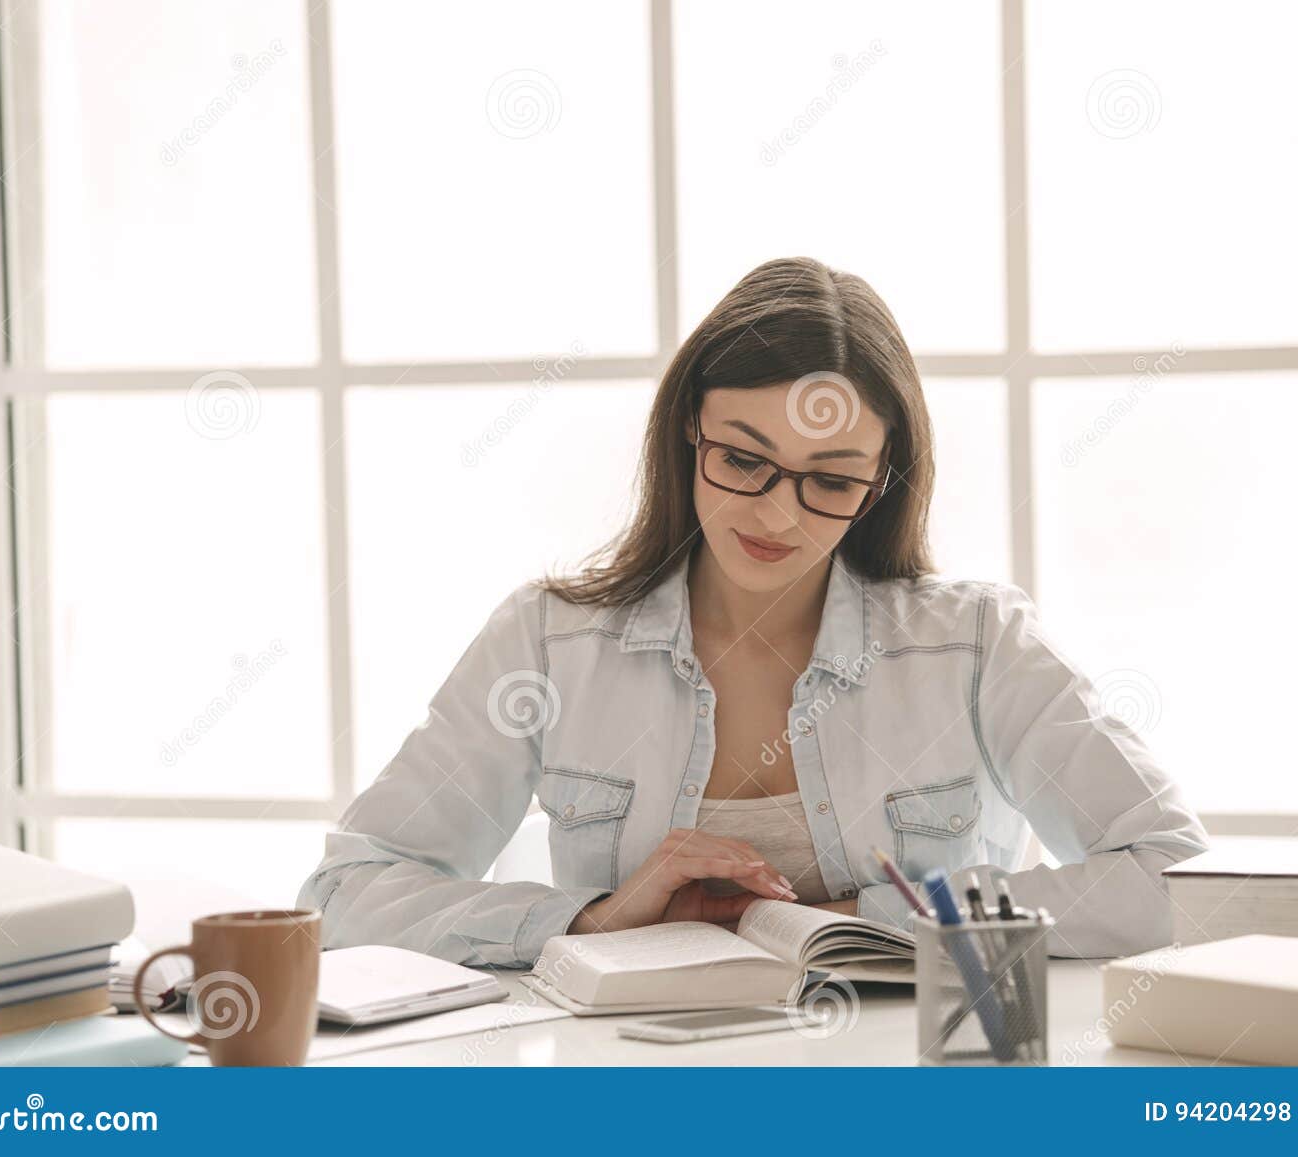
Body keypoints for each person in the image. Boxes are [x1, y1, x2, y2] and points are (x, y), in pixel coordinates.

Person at [296, 256, 1209, 967]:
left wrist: (865, 919)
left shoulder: (977, 644)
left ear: (881, 484)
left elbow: (1178, 879)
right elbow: (345, 893)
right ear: (688, 429)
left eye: (831, 481)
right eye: (742, 460)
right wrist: (594, 919)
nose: (776, 516)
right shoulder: (546, 641)